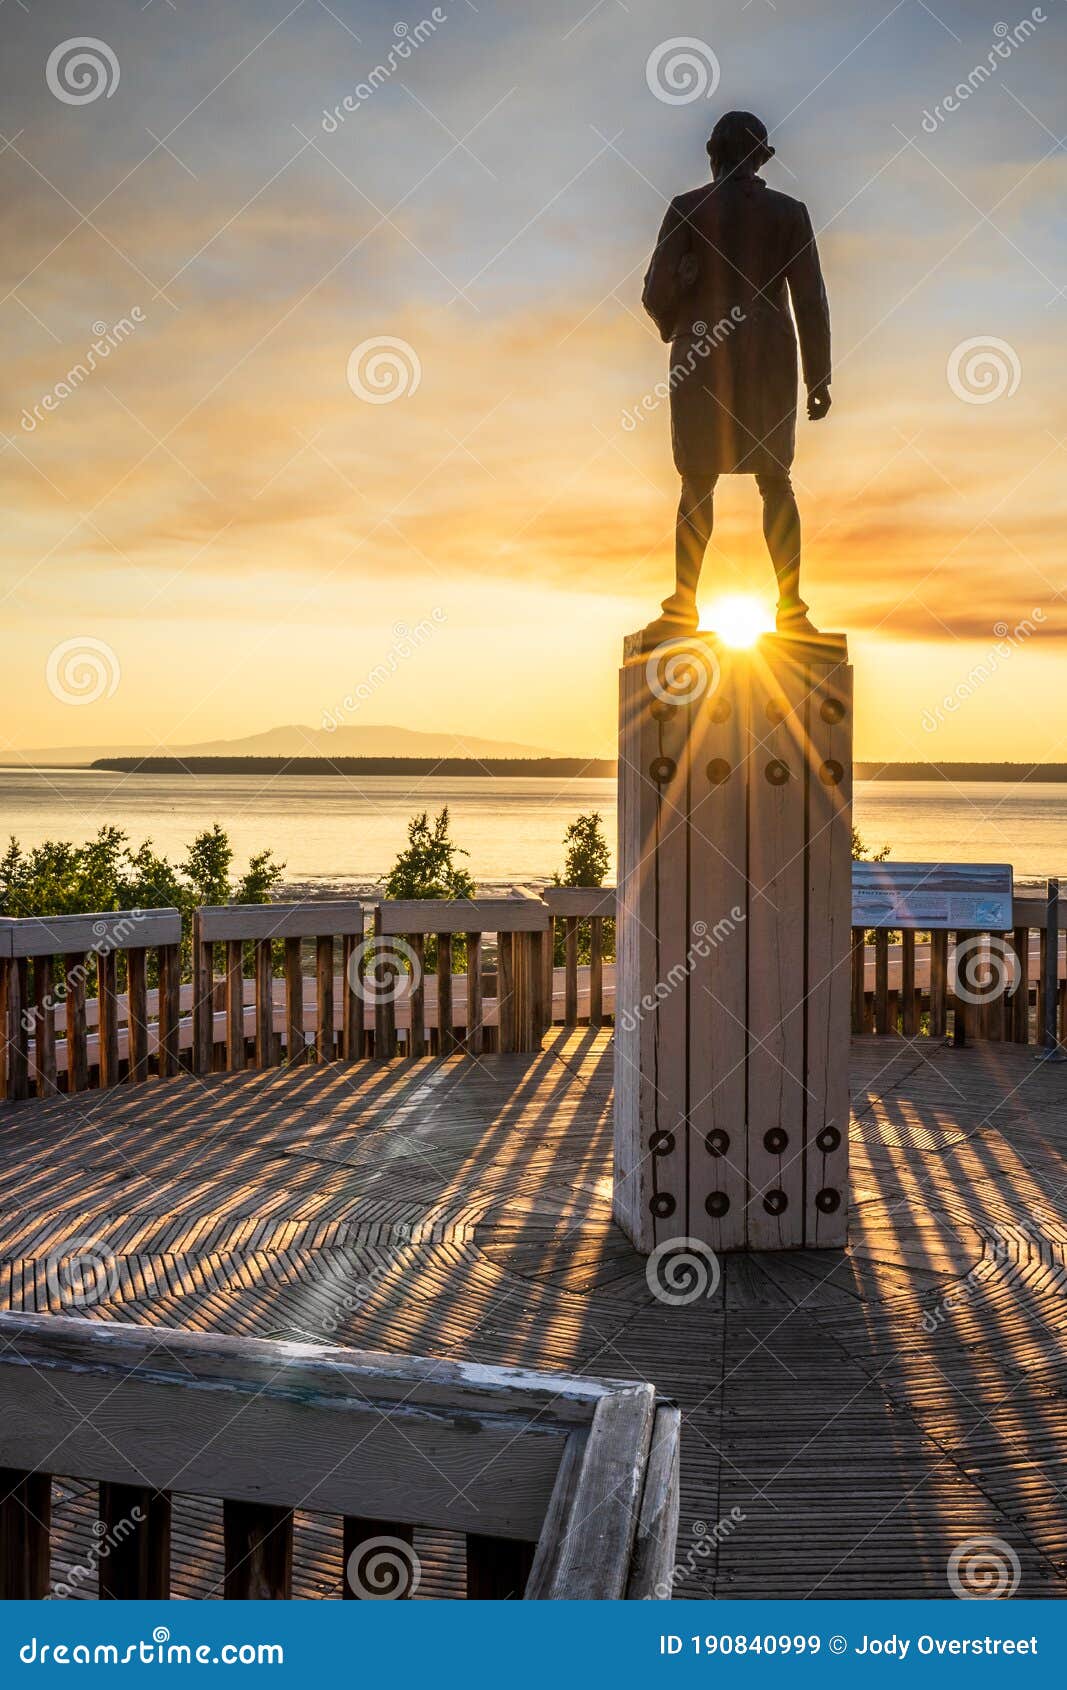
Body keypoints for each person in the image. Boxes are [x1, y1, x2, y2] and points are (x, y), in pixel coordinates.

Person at [641, 111, 831, 640]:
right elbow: (810, 299)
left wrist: (681, 297)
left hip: (701, 355)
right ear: (760, 158)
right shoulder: (789, 213)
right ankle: (792, 611)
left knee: (697, 482)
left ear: (714, 153)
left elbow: (655, 296)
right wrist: (819, 376)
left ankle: (682, 607)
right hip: (770, 359)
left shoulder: (687, 210)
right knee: (776, 482)